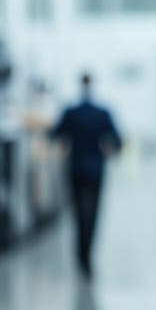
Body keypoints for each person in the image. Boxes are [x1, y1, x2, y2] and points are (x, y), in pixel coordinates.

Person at [51, 73, 121, 277]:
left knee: (78, 214)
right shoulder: (102, 113)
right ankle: (87, 256)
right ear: (93, 85)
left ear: (80, 85)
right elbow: (117, 141)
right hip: (96, 170)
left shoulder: (71, 112)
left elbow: (55, 134)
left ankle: (80, 256)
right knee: (93, 214)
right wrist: (107, 148)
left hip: (75, 169)